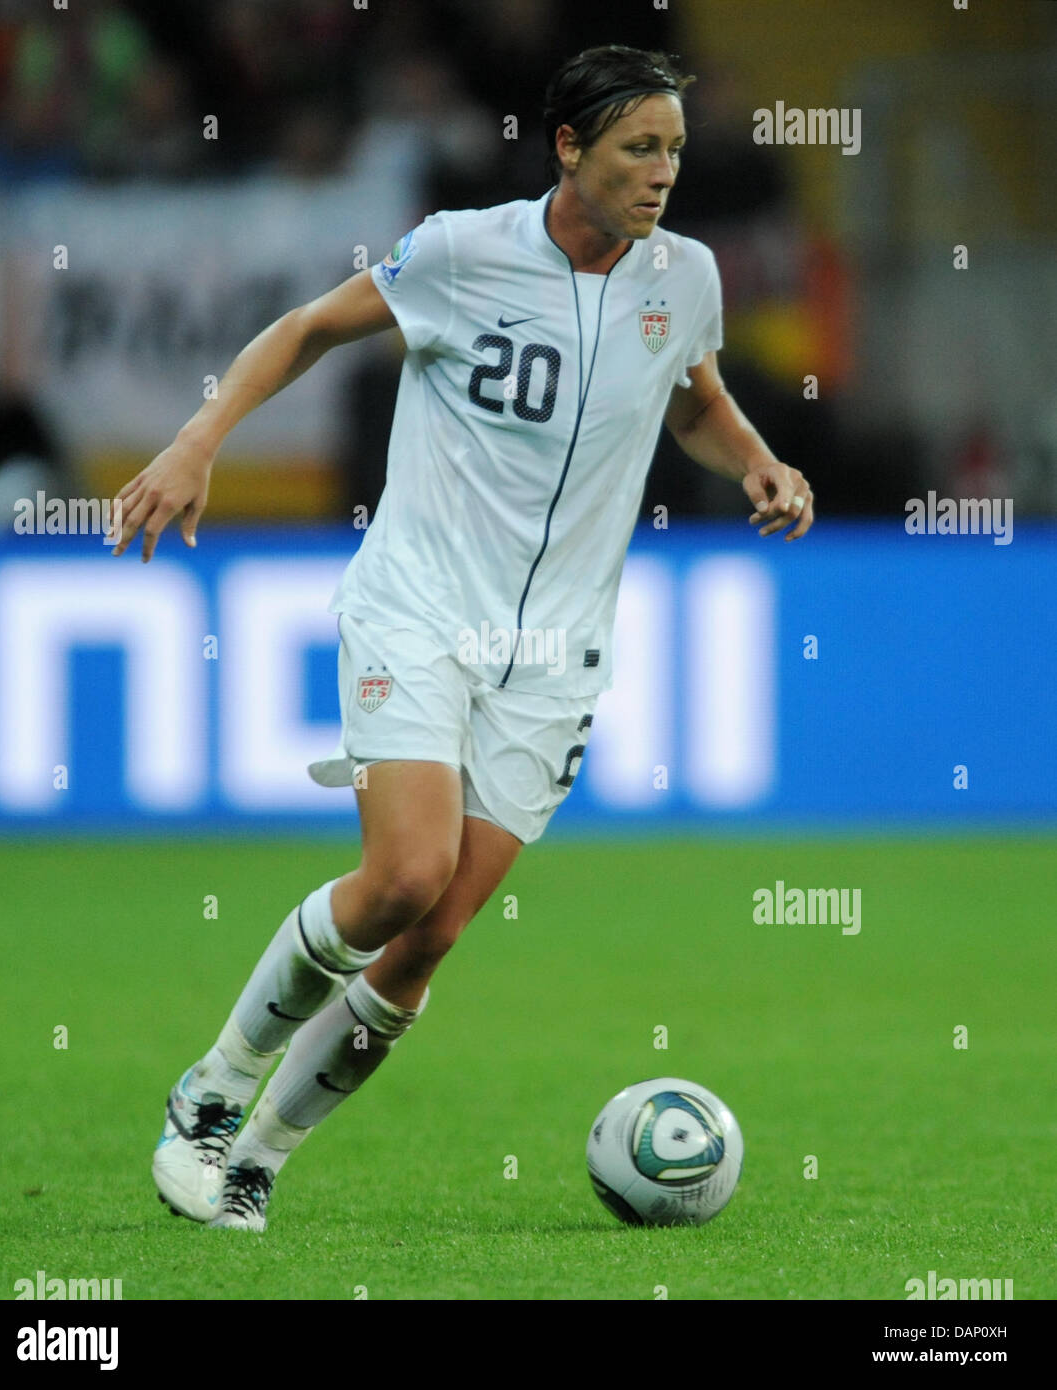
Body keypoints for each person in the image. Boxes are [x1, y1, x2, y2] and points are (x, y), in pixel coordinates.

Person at [109, 44, 815, 1232]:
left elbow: (688, 391)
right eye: (638, 148)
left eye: (674, 152)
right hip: (420, 605)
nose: (661, 174)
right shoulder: (458, 251)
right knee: (402, 875)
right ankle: (212, 1089)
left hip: (557, 653)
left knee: (430, 934)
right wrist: (197, 440)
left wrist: (755, 458)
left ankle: (256, 1160)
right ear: (569, 148)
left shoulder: (683, 275)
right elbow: (309, 328)